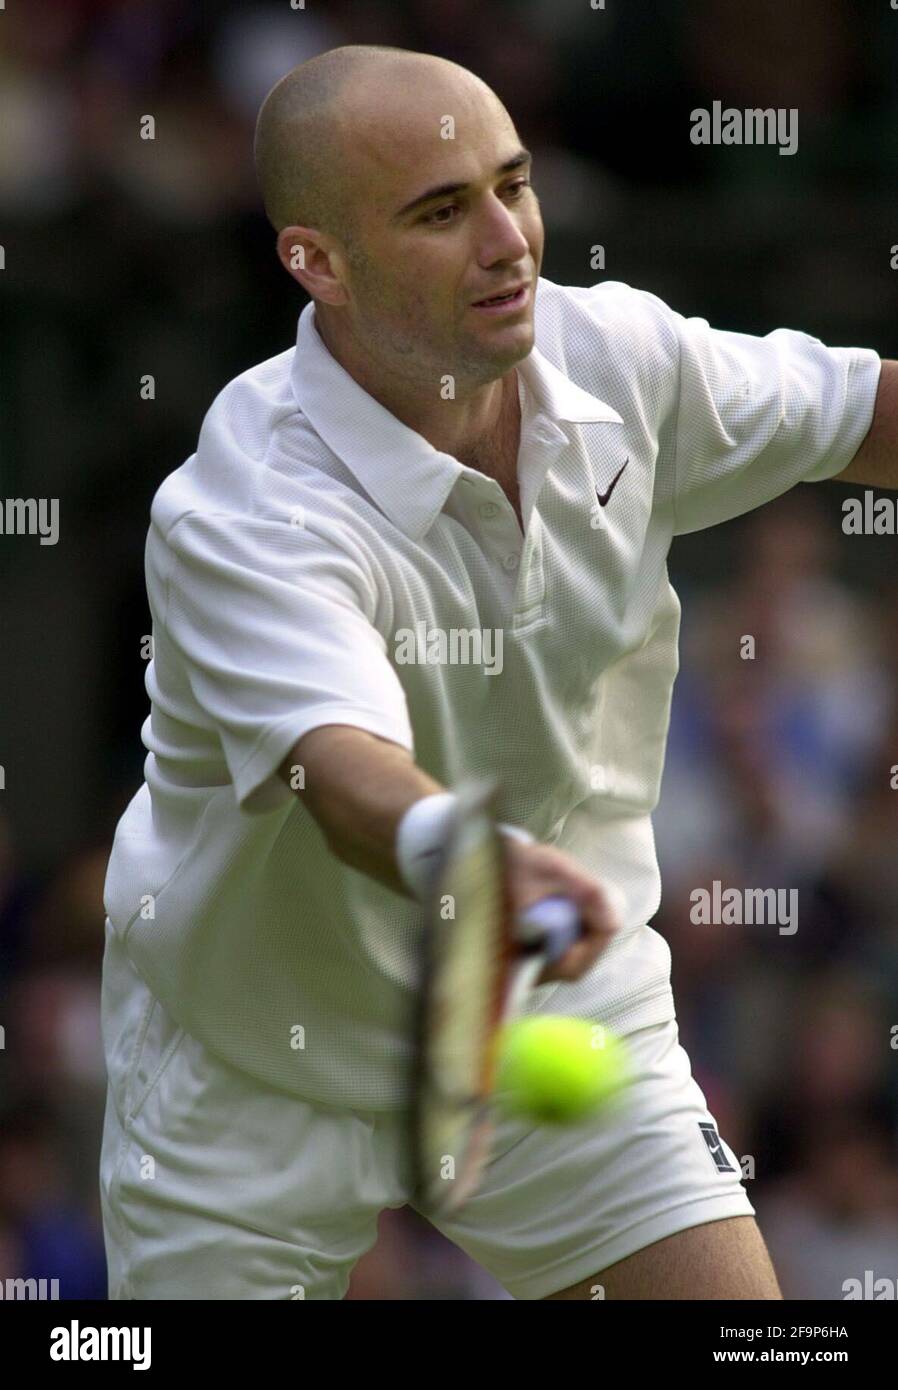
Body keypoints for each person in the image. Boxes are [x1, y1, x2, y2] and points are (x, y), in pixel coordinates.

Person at [99, 44, 896, 1300]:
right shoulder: (245, 510)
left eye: (511, 184)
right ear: (317, 261)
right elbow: (337, 765)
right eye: (439, 210)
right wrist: (465, 854)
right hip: (253, 1064)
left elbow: (865, 414)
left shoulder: (621, 360)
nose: (507, 239)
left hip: (556, 1000)